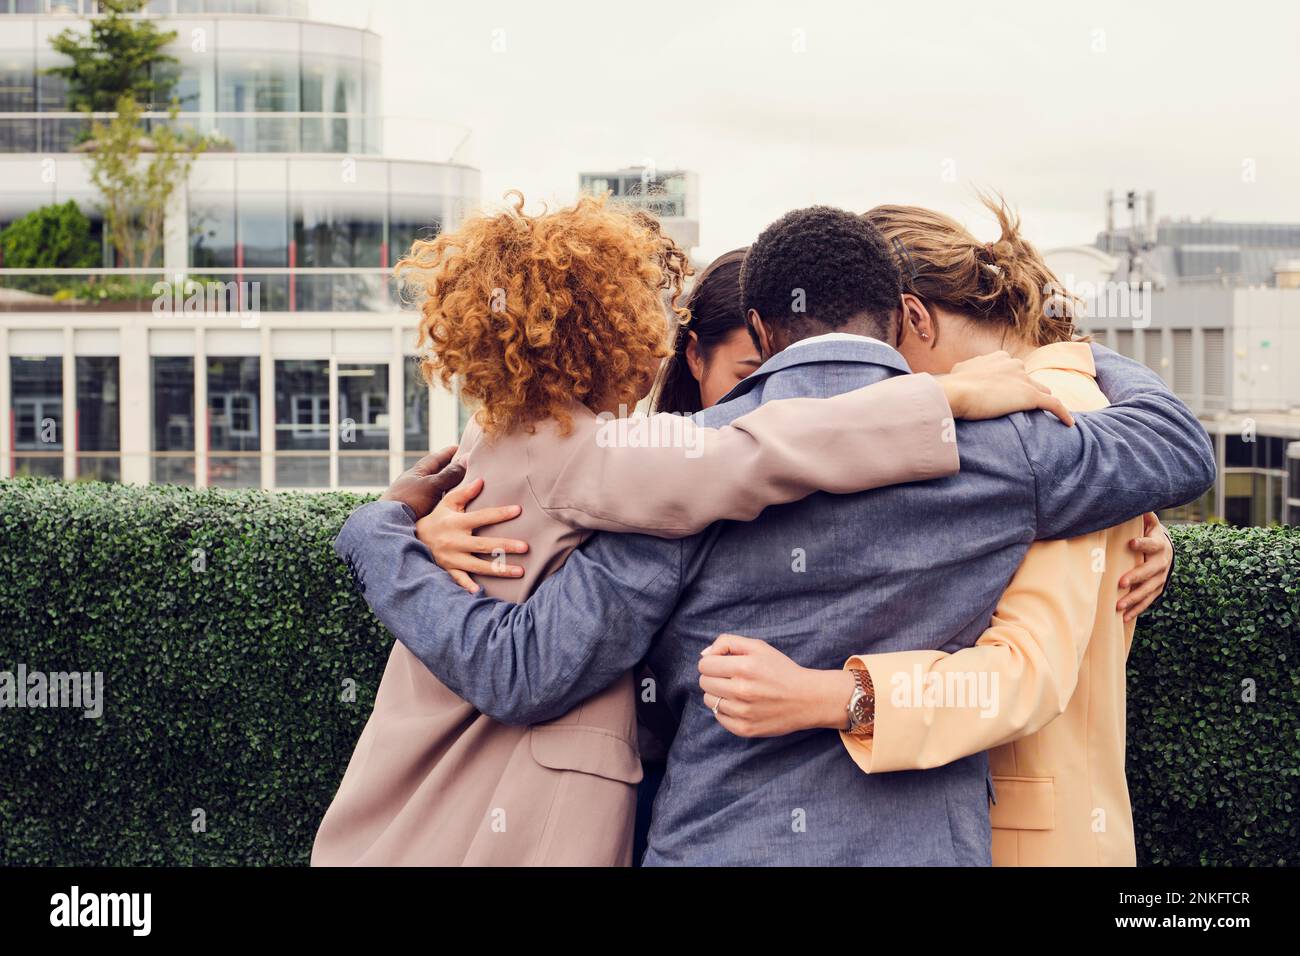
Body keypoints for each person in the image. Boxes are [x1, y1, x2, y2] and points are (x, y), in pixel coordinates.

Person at [335, 204, 1216, 865]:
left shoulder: (672, 474)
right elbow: (1175, 447)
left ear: (759, 328)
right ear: (900, 316)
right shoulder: (1007, 451)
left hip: (717, 842)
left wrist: (383, 531)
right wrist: (1067, 352)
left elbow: (541, 664)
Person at [694, 199, 1176, 865]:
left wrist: (838, 695)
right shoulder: (1048, 420)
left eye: (877, 356)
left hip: (1026, 838)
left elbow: (1025, 673)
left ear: (911, 319)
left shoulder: (1049, 424)